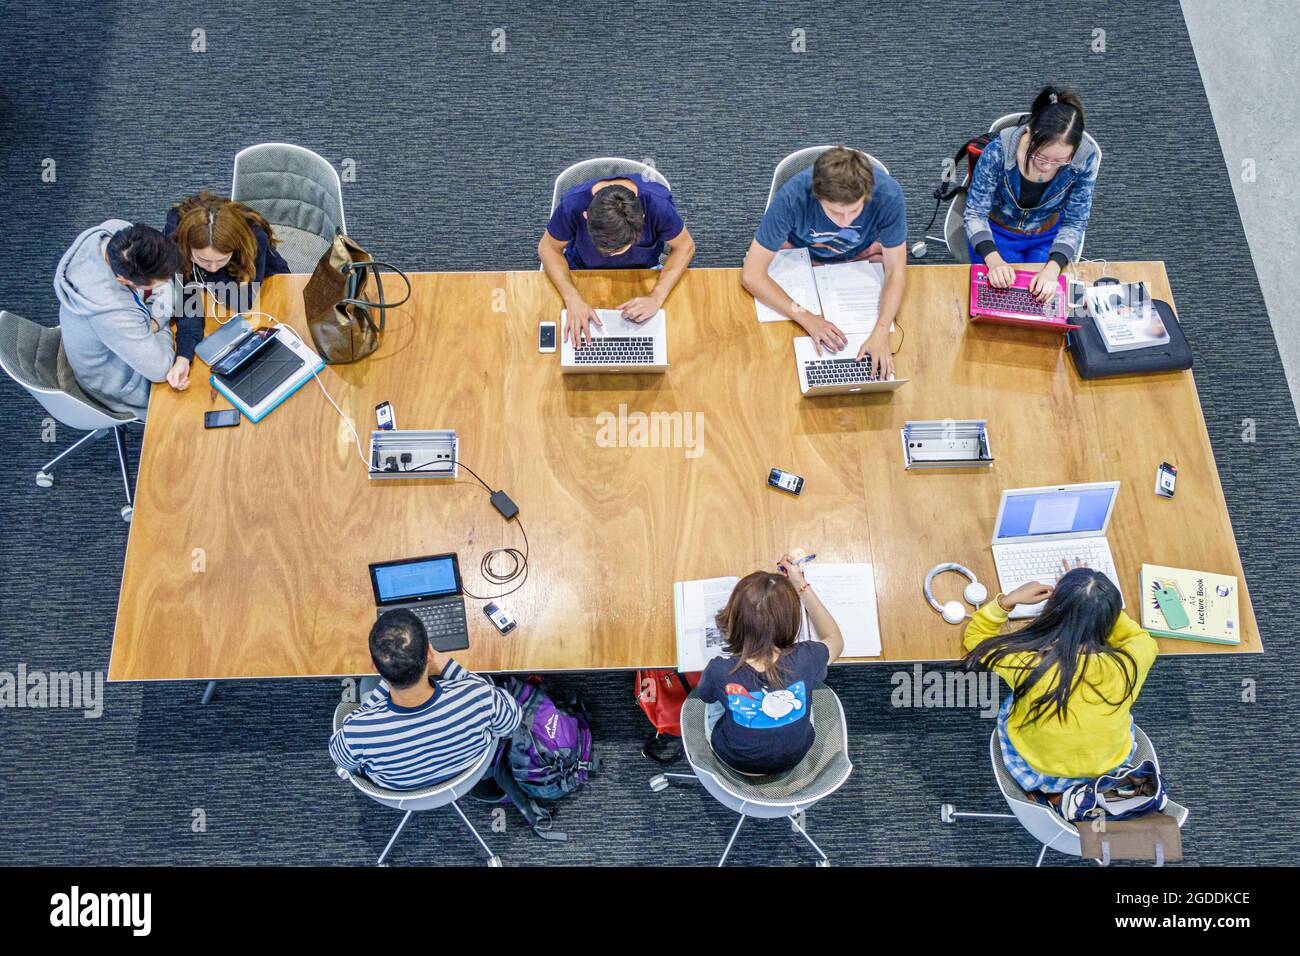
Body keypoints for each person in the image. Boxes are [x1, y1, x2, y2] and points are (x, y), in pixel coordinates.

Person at [961, 566, 1157, 794]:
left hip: (1041, 772)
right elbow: (1138, 636)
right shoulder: (1135, 659)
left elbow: (976, 637)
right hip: (1109, 769)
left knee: (1015, 701)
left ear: (1053, 610)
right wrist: (1095, 604)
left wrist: (1007, 601)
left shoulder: (1029, 666)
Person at [741, 146, 907, 377]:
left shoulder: (888, 194)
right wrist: (807, 318)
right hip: (798, 255)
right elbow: (751, 275)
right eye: (836, 213)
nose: (845, 222)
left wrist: (881, 331)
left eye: (855, 210)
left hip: (855, 257)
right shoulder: (792, 198)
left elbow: (896, 272)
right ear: (818, 197)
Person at [330, 609, 522, 790]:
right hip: (466, 771)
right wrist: (449, 667)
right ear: (430, 654)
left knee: (363, 689)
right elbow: (510, 723)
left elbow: (341, 759)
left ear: (374, 667)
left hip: (401, 789)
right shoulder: (479, 696)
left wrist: (384, 685)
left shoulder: (358, 730)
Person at [696, 556, 845, 776]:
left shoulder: (719, 670)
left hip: (733, 759)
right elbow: (835, 639)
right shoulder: (807, 657)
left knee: (717, 701)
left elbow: (705, 696)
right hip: (795, 756)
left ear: (735, 620)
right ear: (791, 622)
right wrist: (800, 586)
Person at [963, 85, 1098, 302]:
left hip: (1047, 235)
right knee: (1000, 301)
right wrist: (993, 259)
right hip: (997, 233)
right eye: (1041, 156)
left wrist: (1053, 267)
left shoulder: (1083, 159)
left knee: (1045, 303)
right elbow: (975, 213)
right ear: (1030, 132)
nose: (1047, 167)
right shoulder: (998, 152)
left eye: (1061, 160)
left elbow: (1075, 221)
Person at [538, 171, 695, 348]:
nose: (612, 256)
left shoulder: (658, 206)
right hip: (582, 273)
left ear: (641, 219)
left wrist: (657, 297)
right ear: (586, 216)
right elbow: (548, 248)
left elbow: (685, 246)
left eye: (619, 249)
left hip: (642, 272)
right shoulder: (572, 205)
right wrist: (571, 298)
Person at [54, 221, 182, 419]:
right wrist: (159, 324)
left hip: (109, 344)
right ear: (124, 281)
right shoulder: (112, 312)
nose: (170, 279)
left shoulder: (115, 234)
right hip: (118, 383)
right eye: (163, 279)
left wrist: (154, 320)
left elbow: (169, 286)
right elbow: (161, 369)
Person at [165, 192, 290, 390]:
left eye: (221, 259)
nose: (213, 267)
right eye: (204, 259)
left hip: (272, 283)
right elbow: (188, 306)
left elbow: (243, 302)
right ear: (187, 248)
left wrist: (203, 275)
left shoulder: (254, 237)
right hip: (227, 287)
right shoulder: (176, 234)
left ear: (234, 248)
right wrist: (182, 359)